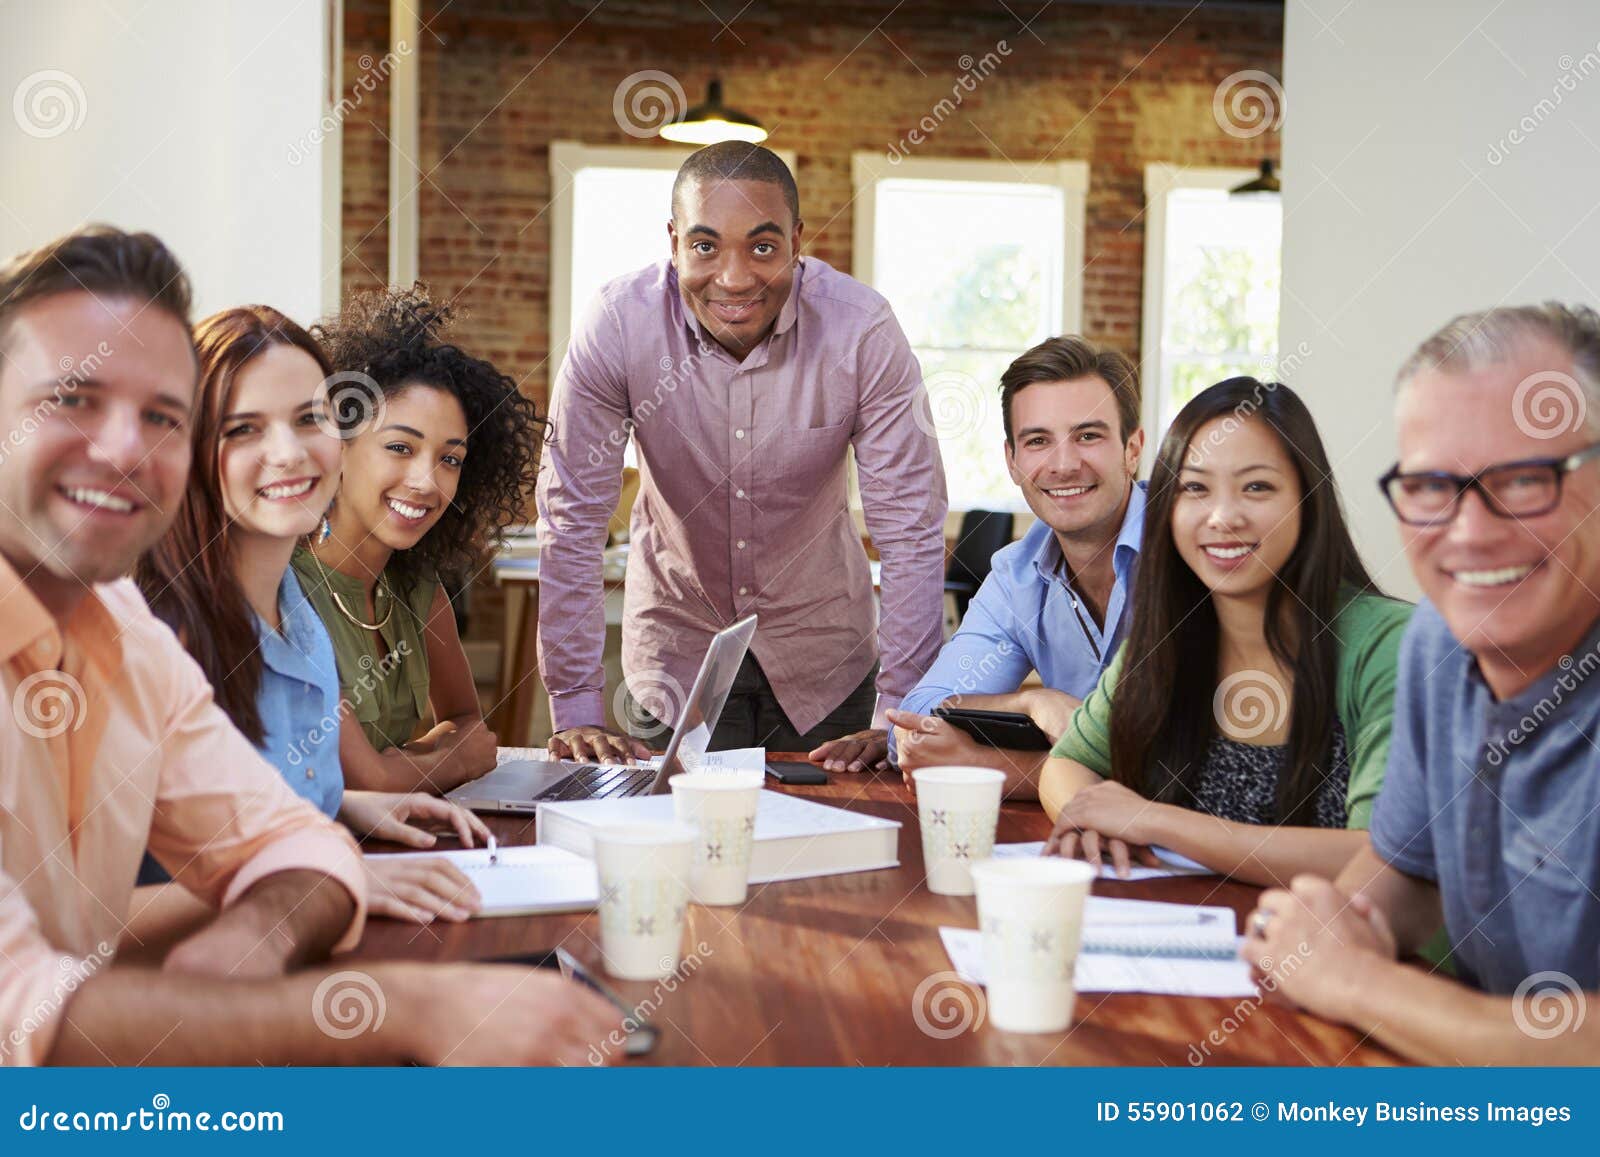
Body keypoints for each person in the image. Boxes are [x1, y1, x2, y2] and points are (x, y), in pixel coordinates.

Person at [0, 226, 613, 1065]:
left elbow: (294, 839)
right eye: (71, 398)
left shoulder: (120, 630)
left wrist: (254, 935)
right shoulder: (162, 615)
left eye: (160, 416)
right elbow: (23, 1010)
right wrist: (402, 1007)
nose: (124, 450)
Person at [1243, 304, 1600, 1063]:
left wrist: (1355, 982)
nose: (1470, 531)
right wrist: (1332, 921)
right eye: (1434, 485)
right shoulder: (1439, 637)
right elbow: (1408, 867)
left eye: (1526, 478)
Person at [536, 141, 946, 764]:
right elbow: (571, 522)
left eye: (762, 247)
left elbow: (911, 529)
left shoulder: (861, 330)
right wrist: (576, 711)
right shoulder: (618, 325)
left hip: (827, 662)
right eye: (705, 246)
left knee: (828, 856)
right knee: (675, 853)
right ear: (672, 241)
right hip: (676, 666)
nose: (734, 278)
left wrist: (898, 718)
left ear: (796, 241)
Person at [137, 304, 491, 924]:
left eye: (309, 419)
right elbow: (76, 915)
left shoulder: (295, 614)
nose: (289, 453)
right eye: (242, 429)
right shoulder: (156, 634)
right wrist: (329, 878)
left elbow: (266, 796)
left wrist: (346, 805)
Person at [1041, 378, 1412, 883]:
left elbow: (1382, 861)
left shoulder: (1390, 644)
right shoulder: (1166, 636)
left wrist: (1155, 821)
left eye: (1256, 486)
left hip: (1334, 953)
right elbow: (1067, 764)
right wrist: (1090, 821)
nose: (1222, 517)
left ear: (1308, 499)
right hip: (1181, 940)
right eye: (1195, 488)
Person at [293, 286, 545, 796]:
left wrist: (410, 764)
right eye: (399, 447)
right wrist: (444, 761)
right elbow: (367, 778)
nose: (427, 482)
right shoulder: (284, 591)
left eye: (449, 459)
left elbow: (465, 722)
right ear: (338, 446)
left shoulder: (417, 586)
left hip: (405, 845)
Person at [882, 335, 1146, 796]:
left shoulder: (1193, 548)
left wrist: (987, 765)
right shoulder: (1018, 574)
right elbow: (913, 724)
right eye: (1038, 441)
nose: (1063, 465)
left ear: (1133, 448)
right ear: (1013, 460)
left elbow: (1187, 762)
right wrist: (1026, 702)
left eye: (1088, 436)